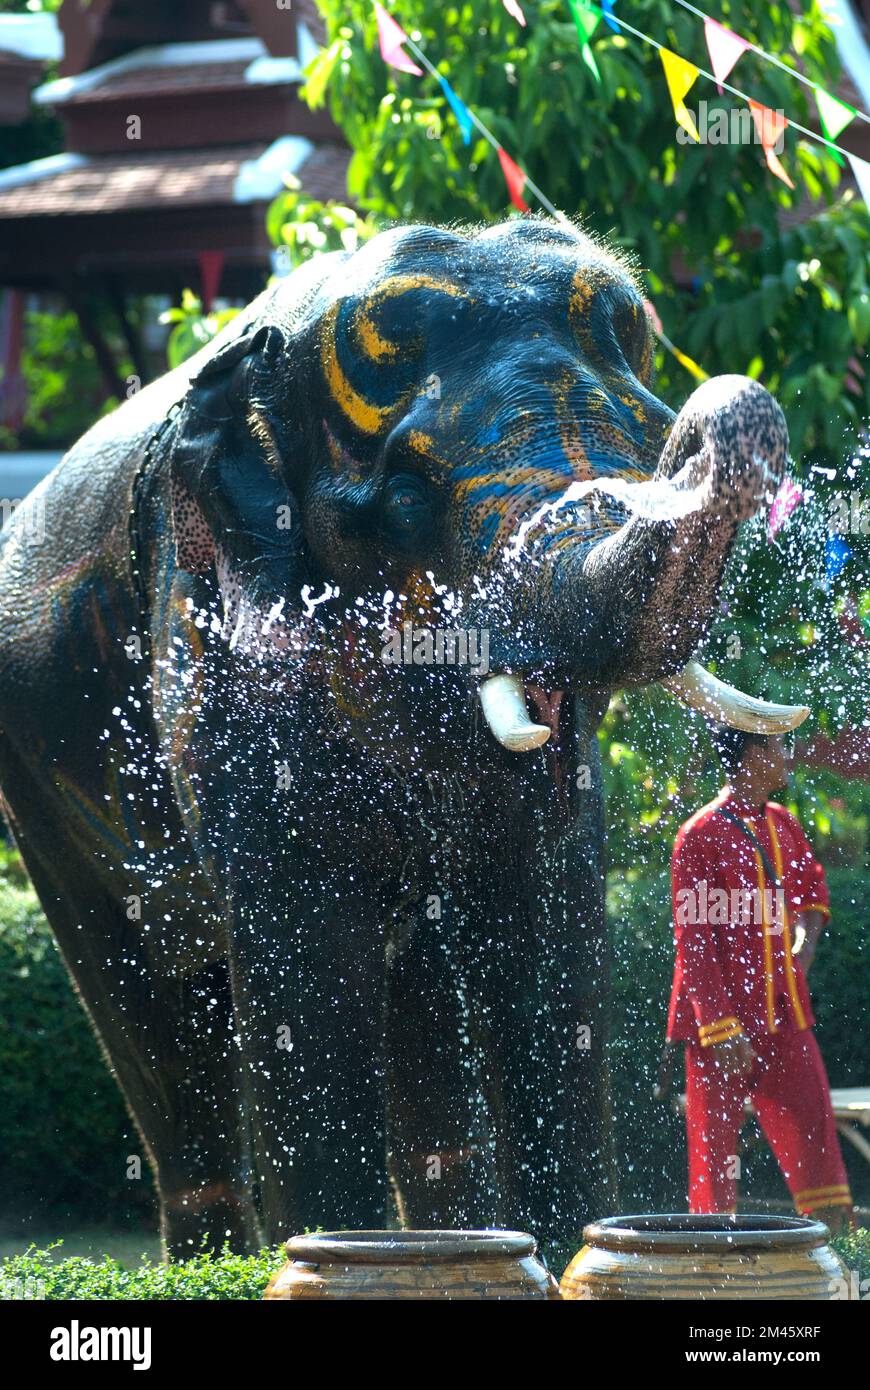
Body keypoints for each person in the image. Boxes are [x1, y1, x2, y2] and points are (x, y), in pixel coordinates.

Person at [666, 728, 853, 1230]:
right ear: (752, 755)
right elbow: (695, 941)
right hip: (718, 1030)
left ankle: (834, 1258)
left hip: (786, 1012)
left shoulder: (783, 824)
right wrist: (721, 1029)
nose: (787, 757)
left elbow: (813, 884)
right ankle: (711, 1264)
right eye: (778, 747)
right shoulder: (698, 835)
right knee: (714, 1162)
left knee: (818, 1143)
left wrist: (807, 943)